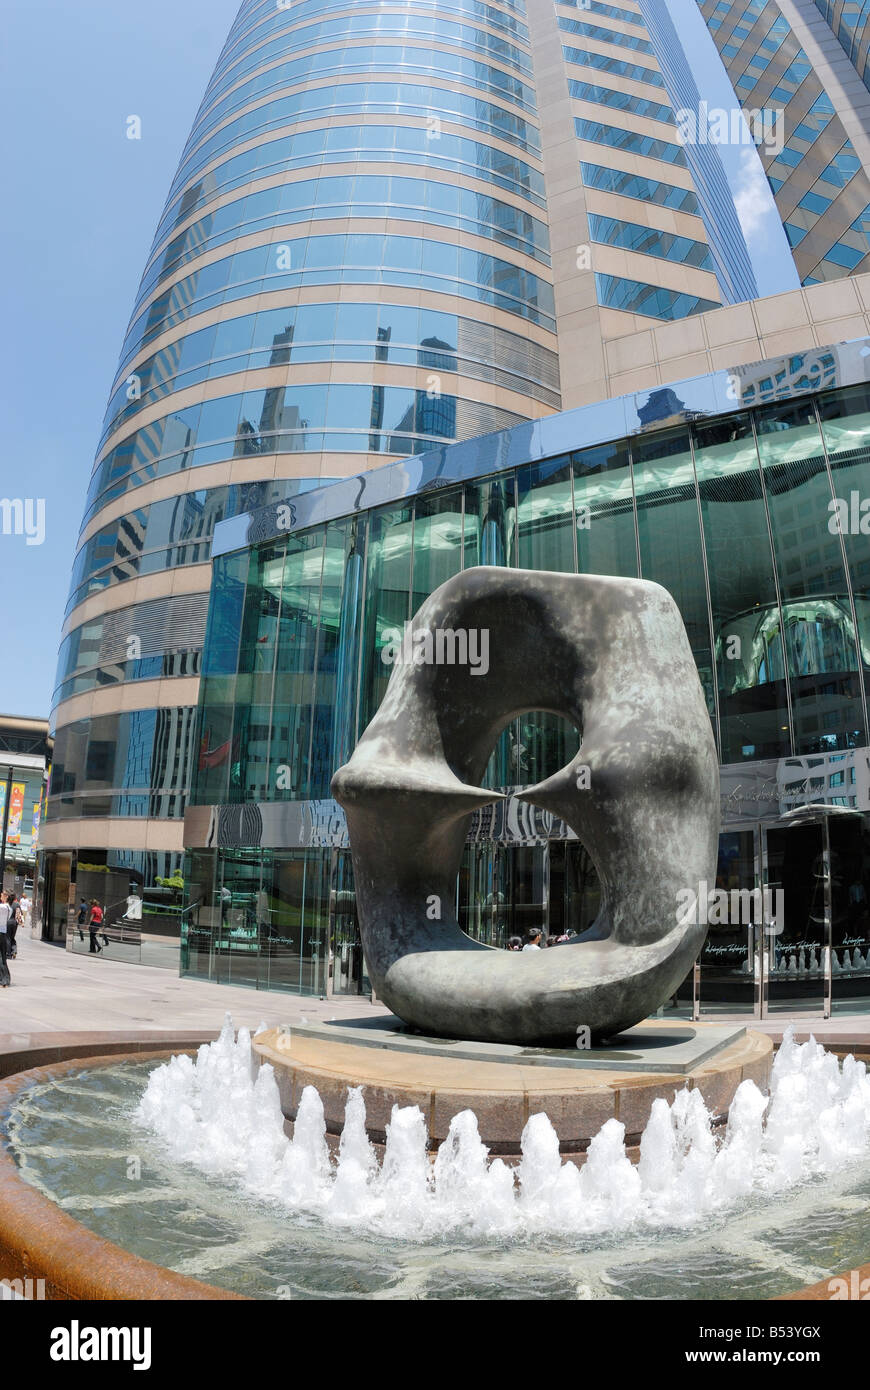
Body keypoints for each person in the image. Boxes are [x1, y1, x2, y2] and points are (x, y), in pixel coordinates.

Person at [0, 891, 12, 986]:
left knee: (1, 957)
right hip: (3, 932)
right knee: (3, 957)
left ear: (5, 896)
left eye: (2, 894)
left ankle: (3, 979)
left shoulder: (2, 907)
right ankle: (6, 978)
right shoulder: (9, 908)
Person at [6, 894, 21, 959]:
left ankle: (8, 954)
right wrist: (21, 923)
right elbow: (19, 915)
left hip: (8, 922)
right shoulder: (17, 904)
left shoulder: (6, 904)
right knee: (12, 937)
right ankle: (14, 951)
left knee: (8, 938)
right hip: (15, 923)